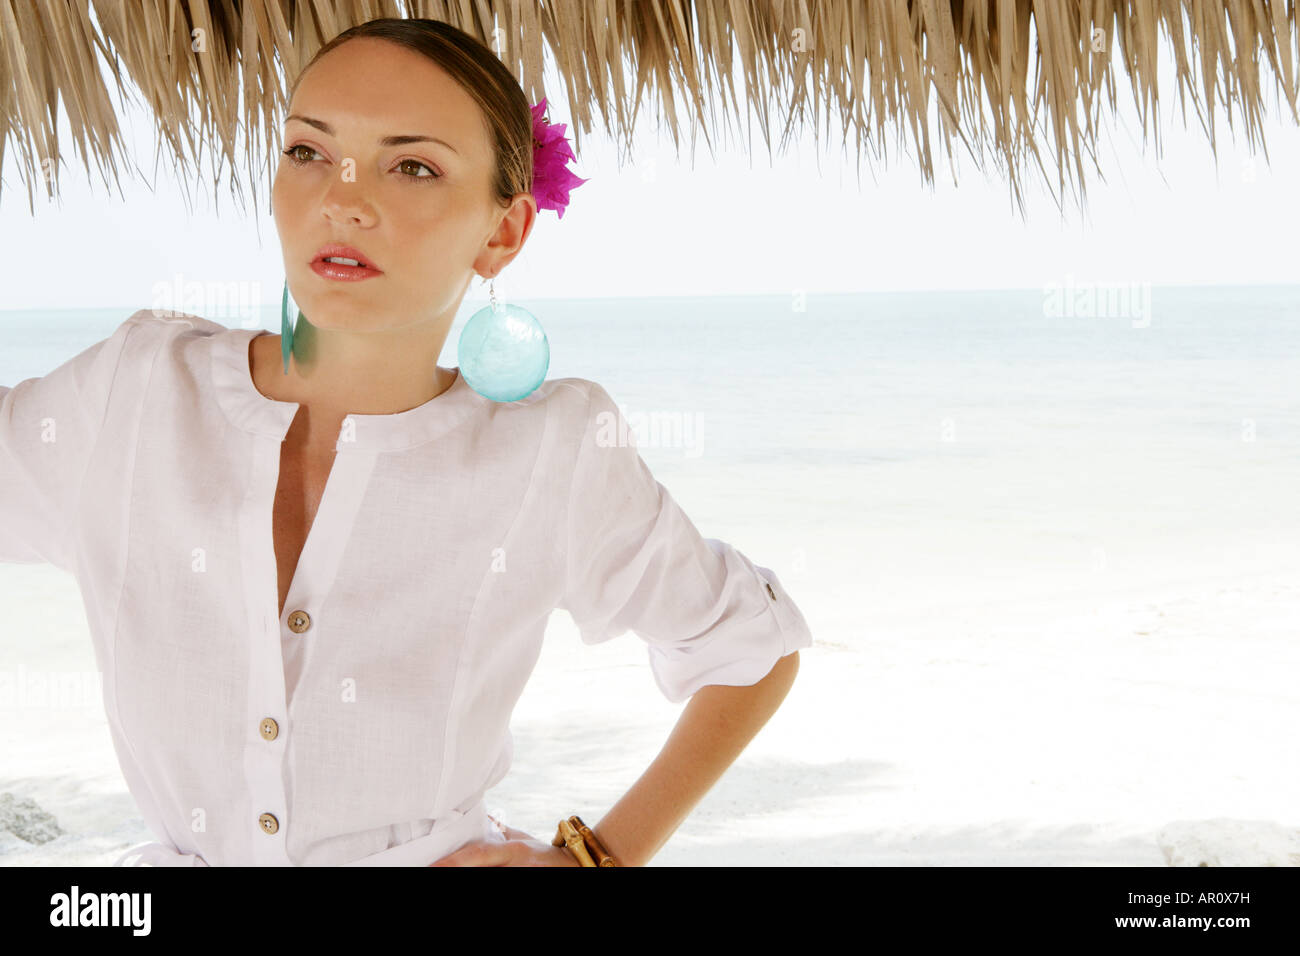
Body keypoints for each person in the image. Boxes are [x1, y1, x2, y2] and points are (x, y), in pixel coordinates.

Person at [0, 17, 811, 867]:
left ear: (503, 234)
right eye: (309, 151)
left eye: (413, 166)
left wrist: (593, 858)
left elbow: (752, 648)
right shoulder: (136, 395)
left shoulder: (551, 455)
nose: (343, 198)